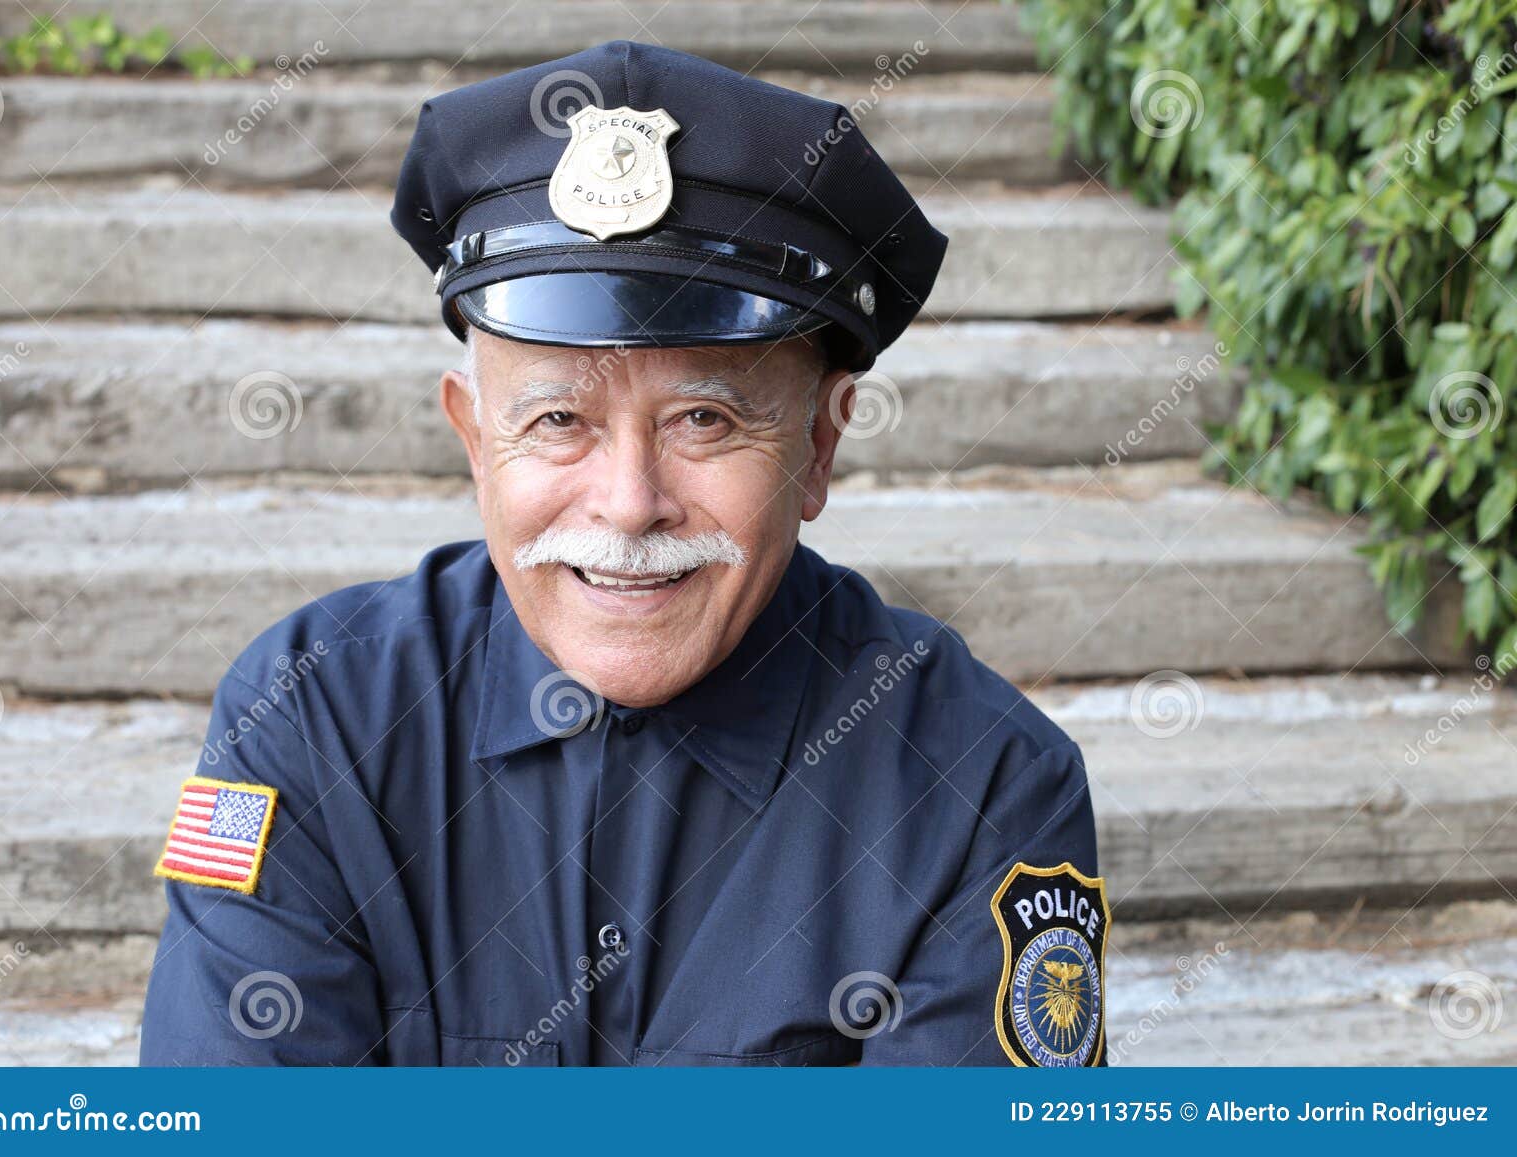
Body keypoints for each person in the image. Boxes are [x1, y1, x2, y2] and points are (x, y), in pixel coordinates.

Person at [140, 40, 1106, 1067]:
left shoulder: (978, 784)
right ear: (474, 438)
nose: (630, 502)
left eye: (704, 419)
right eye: (559, 417)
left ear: (819, 445)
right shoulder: (310, 715)